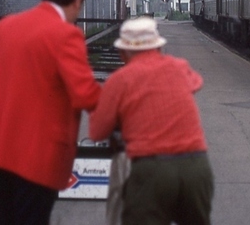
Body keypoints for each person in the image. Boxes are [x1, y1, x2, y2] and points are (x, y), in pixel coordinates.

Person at [0, 0, 101, 225]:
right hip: (39, 154)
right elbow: (85, 94)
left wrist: (6, 106)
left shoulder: (6, 26)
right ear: (77, 1)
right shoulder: (66, 34)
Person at [89, 16, 214, 225]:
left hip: (151, 170)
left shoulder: (119, 80)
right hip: (196, 167)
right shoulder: (179, 67)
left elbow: (97, 131)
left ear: (123, 52)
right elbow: (196, 82)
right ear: (158, 47)